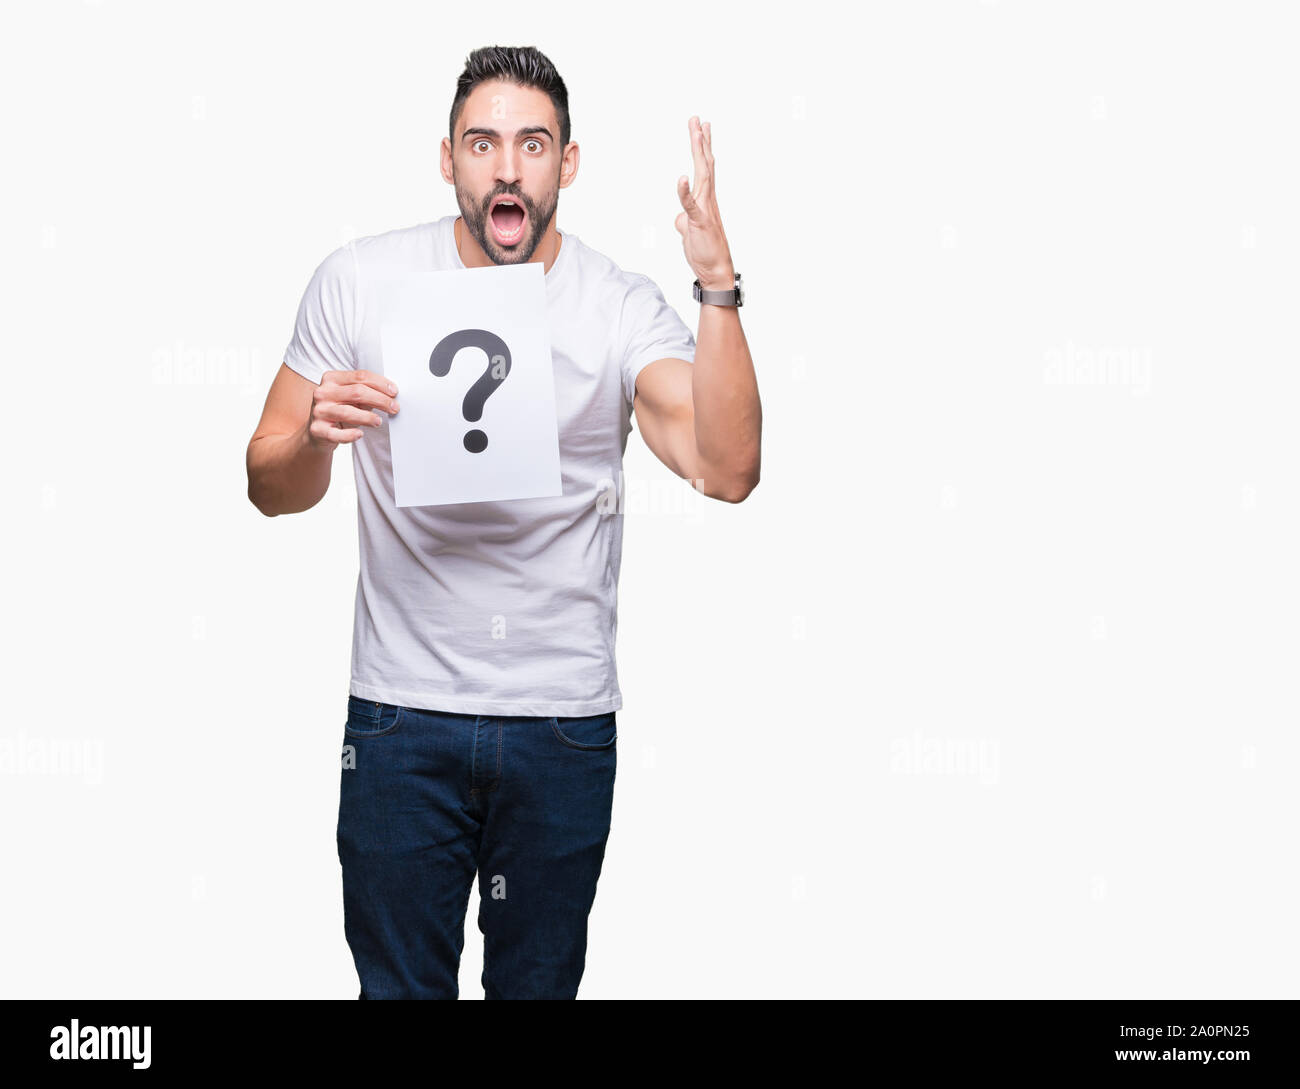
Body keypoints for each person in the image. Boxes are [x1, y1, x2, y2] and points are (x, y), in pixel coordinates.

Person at [245, 45, 761, 999]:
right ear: (448, 160)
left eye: (533, 144)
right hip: (401, 718)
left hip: (559, 725)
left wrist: (718, 285)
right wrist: (316, 435)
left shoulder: (616, 305)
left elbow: (726, 469)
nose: (508, 167)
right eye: (483, 143)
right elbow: (268, 482)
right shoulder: (360, 280)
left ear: (567, 163)